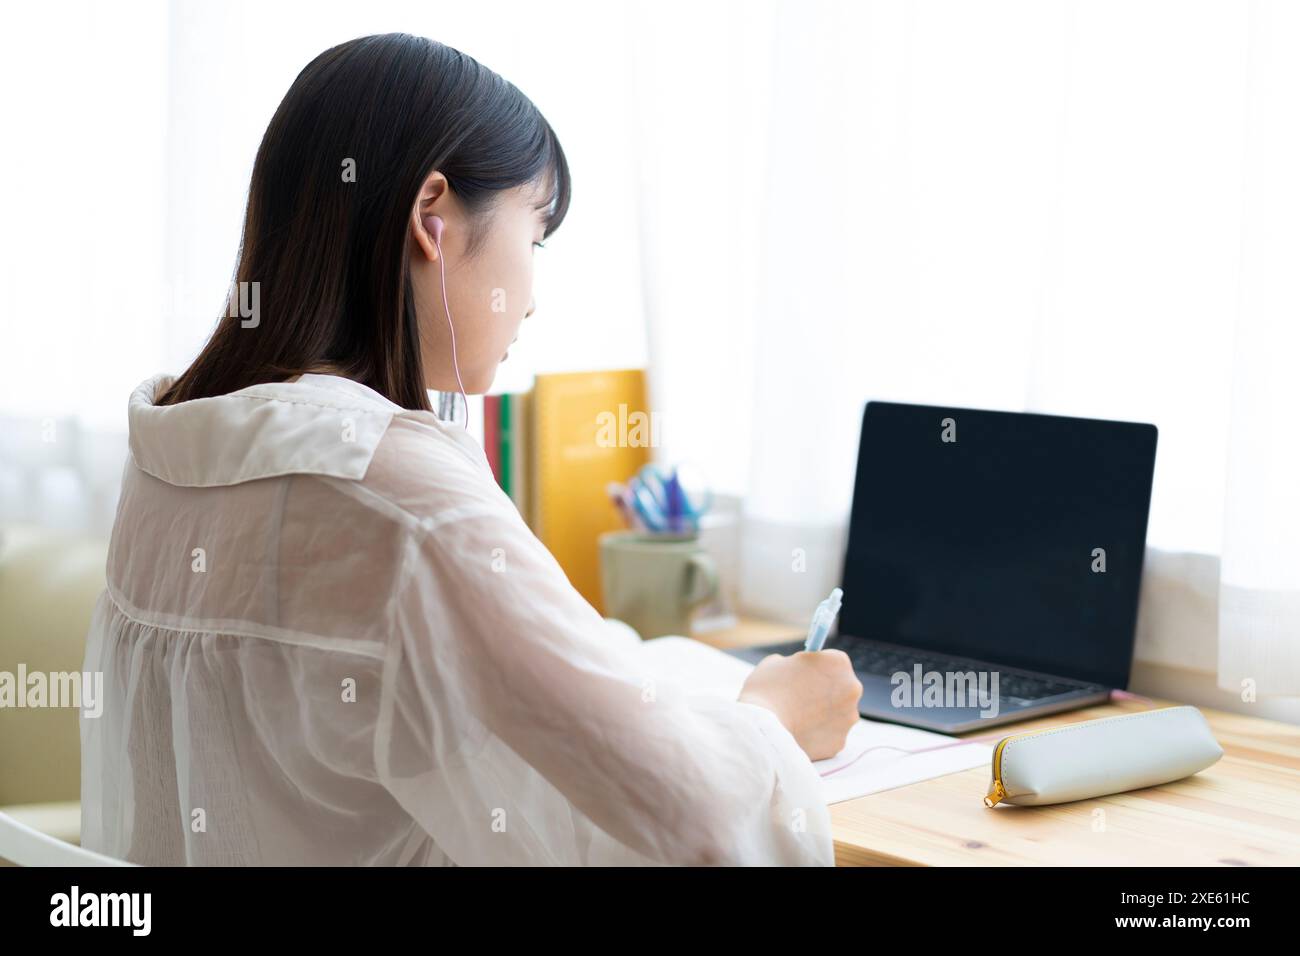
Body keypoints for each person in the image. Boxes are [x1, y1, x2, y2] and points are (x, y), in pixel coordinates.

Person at [80, 32, 862, 866]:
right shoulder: (400, 497)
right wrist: (771, 719)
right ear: (433, 219)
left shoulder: (172, 450)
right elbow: (696, 826)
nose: (530, 300)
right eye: (536, 238)